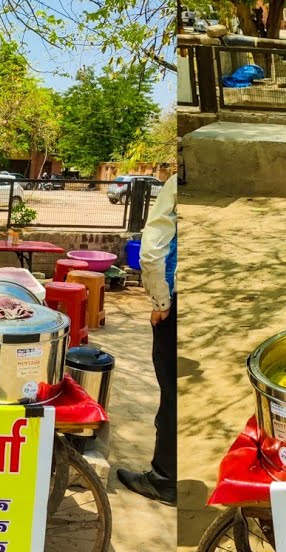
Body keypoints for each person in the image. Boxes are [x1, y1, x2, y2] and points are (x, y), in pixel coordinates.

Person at [115, 174, 178, 506]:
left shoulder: (175, 186)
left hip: (174, 304)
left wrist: (160, 302)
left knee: (171, 395)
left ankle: (165, 479)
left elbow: (152, 253)